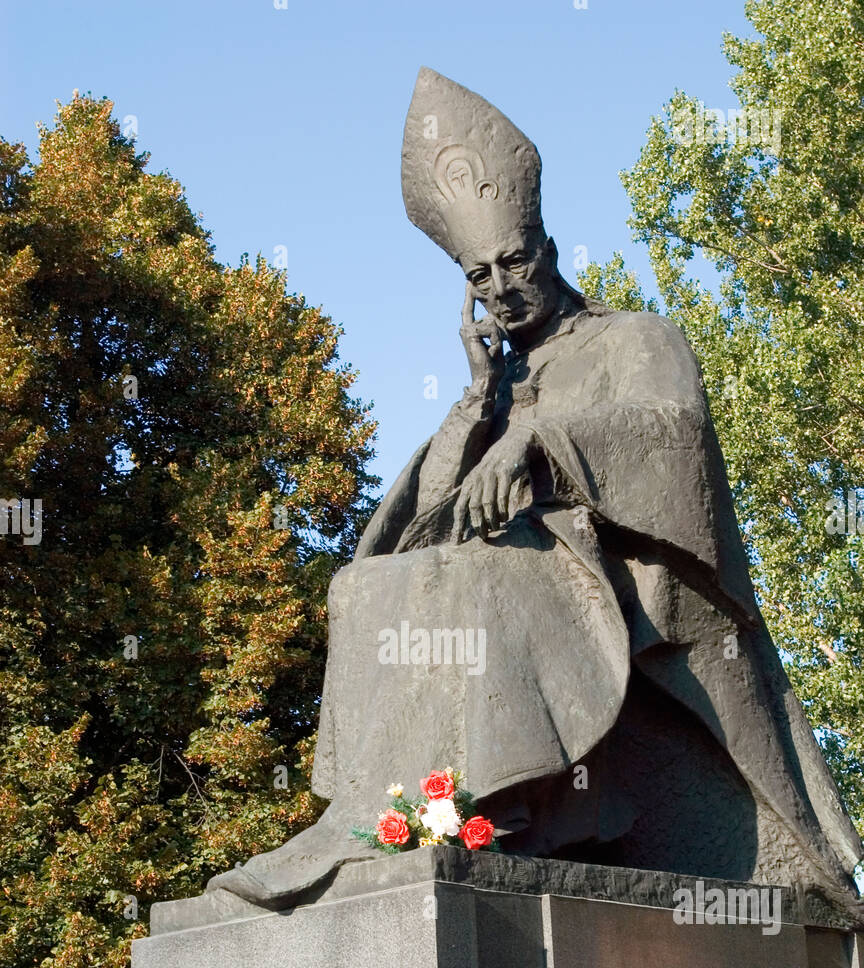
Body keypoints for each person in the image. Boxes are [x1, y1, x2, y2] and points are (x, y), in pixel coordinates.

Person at [207, 69, 861, 917]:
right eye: (479, 275)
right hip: (520, 577)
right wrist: (481, 401)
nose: (502, 287)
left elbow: (676, 436)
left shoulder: (633, 338)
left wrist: (540, 443)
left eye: (514, 261)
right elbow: (423, 523)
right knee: (369, 584)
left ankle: (494, 804)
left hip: (619, 585)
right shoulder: (498, 387)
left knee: (477, 581)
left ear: (550, 250)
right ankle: (395, 817)